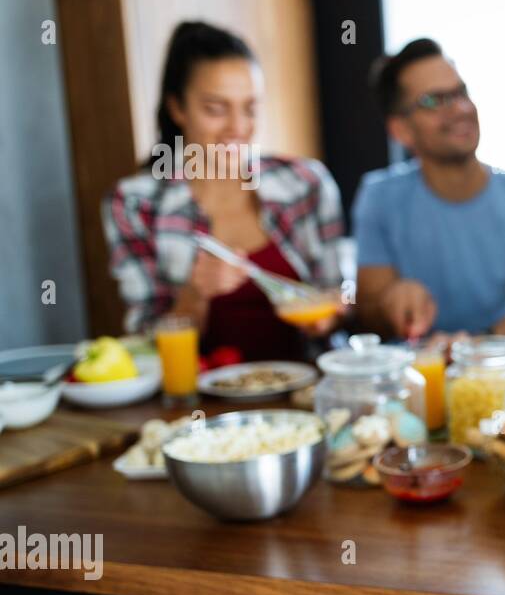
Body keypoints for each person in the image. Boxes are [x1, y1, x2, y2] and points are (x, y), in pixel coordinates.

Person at [103, 21, 345, 362]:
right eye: (216, 109)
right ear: (177, 108)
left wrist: (330, 314)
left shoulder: (306, 183)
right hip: (202, 405)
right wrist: (194, 295)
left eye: (250, 108)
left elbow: (343, 296)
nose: (238, 128)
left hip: (305, 396)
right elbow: (145, 344)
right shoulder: (134, 204)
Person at [353, 38, 505, 343]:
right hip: (412, 381)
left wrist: (473, 349)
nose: (461, 109)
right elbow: (368, 311)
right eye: (434, 101)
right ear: (401, 130)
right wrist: (391, 299)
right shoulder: (378, 198)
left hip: (504, 377)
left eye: (460, 93)